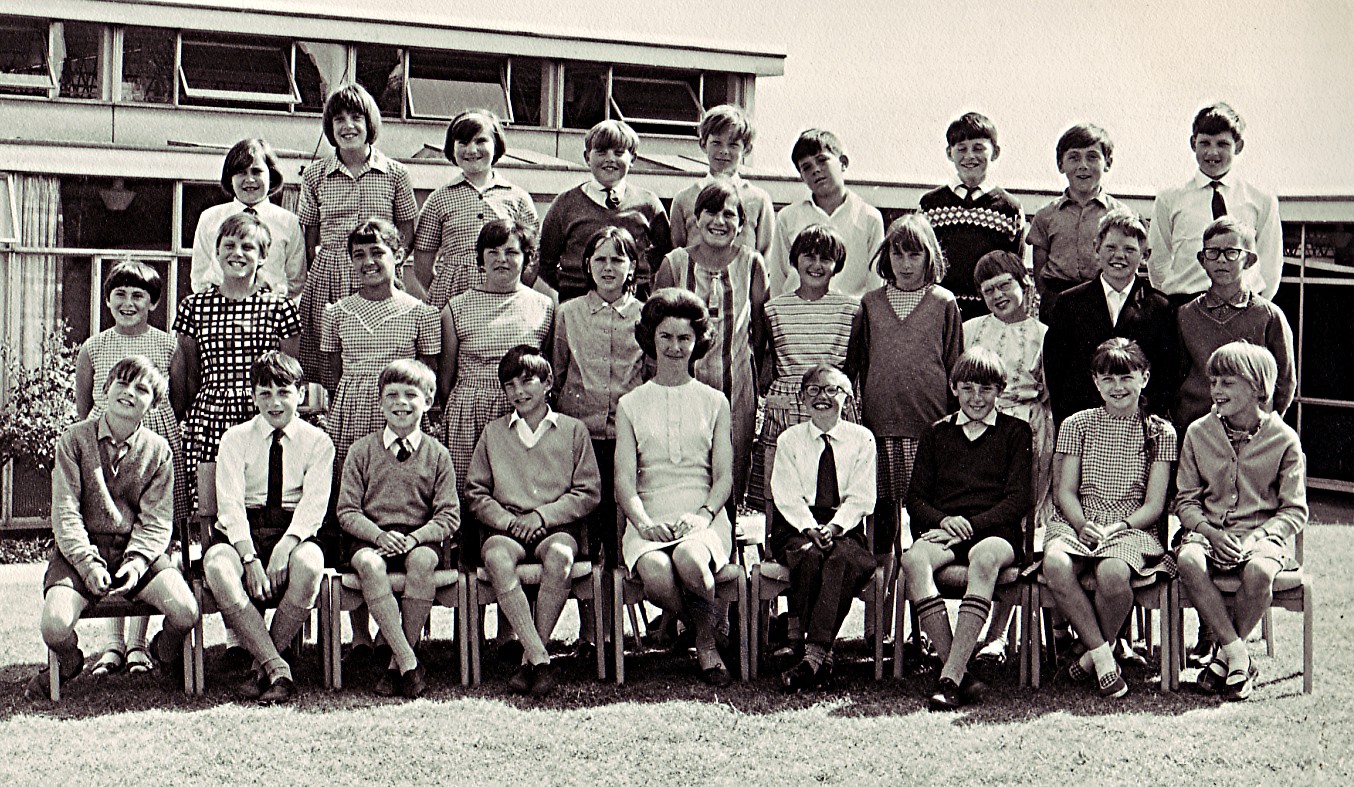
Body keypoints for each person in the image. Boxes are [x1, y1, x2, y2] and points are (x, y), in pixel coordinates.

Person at [26, 357, 200, 698]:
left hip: (136, 554)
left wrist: (136, 563)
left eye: (142, 388)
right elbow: (66, 512)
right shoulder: (74, 440)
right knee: (54, 626)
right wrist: (87, 564)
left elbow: (157, 520)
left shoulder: (159, 451)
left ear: (154, 403)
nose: (129, 392)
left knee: (186, 611)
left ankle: (164, 651)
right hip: (80, 554)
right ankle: (68, 660)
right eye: (122, 382)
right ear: (105, 389)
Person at [1041, 338, 1177, 699]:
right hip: (1078, 518)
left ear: (1144, 378)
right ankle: (1103, 657)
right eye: (1108, 379)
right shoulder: (1077, 424)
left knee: (1113, 572)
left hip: (1132, 525)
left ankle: (1087, 656)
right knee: (1054, 564)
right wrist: (1083, 524)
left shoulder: (1160, 432)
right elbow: (1065, 491)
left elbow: (1154, 504)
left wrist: (1121, 526)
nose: (1118, 387)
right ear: (1096, 382)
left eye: (1126, 377)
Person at [465, 346, 601, 697]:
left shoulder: (573, 431)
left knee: (560, 557)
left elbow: (587, 492)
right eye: (509, 385)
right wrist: (510, 523)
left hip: (554, 528)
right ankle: (541, 660)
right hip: (507, 528)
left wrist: (542, 515)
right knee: (495, 557)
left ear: (548, 383)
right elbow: (476, 493)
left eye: (527, 382)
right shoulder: (494, 433)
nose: (519, 392)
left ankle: (529, 657)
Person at [615, 288, 735, 686]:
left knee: (688, 559)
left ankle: (704, 645)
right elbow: (624, 482)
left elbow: (723, 479)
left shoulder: (715, 401)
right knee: (655, 571)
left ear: (697, 342)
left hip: (703, 513)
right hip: (649, 514)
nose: (674, 347)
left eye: (684, 338)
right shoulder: (631, 404)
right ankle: (709, 624)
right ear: (651, 338)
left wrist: (702, 516)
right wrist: (644, 522)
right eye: (665, 336)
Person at [1175, 342, 1307, 701]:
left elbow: (1294, 510)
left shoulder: (1284, 440)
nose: (1216, 390)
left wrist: (1258, 537)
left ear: (1256, 386)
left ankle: (1222, 660)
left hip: (1260, 535)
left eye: (1227, 382)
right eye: (1213, 381)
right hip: (1208, 531)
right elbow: (1185, 500)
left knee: (1260, 572)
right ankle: (1237, 655)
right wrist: (1208, 532)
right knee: (1187, 559)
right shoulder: (1198, 432)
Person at [901, 347, 1031, 709]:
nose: (977, 397)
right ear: (954, 388)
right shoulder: (936, 434)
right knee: (913, 560)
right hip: (945, 532)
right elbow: (916, 499)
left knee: (986, 557)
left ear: (1000, 390)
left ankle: (950, 676)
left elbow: (1017, 501)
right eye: (968, 388)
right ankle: (959, 672)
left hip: (994, 533)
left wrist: (971, 525)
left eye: (987, 389)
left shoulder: (1015, 432)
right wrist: (944, 521)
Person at [75, 261, 188, 678]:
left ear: (154, 302)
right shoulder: (93, 347)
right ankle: (111, 644)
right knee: (107, 529)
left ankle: (139, 644)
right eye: (119, 294)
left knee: (150, 537)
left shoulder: (168, 345)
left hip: (155, 447)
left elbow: (176, 398)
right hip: (105, 452)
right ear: (107, 300)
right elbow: (84, 407)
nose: (128, 302)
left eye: (138, 295)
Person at [205, 351, 333, 704]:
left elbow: (314, 505)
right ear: (253, 396)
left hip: (293, 532)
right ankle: (277, 668)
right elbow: (229, 504)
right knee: (217, 565)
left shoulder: (318, 442)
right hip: (242, 533)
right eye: (265, 393)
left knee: (309, 565)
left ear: (301, 393)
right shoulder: (235, 438)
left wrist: (286, 545)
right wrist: (248, 558)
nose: (275, 402)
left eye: (284, 392)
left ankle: (261, 668)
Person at [847, 213, 962, 576]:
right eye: (898, 254)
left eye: (915, 255)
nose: (906, 264)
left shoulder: (943, 302)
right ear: (886, 257)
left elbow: (954, 366)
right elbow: (858, 366)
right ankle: (879, 621)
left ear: (930, 257)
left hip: (928, 430)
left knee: (924, 525)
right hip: (879, 428)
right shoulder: (870, 303)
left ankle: (917, 621)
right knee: (882, 526)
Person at [338, 359, 459, 699]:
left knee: (422, 562)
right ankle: (409, 660)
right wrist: (378, 536)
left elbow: (449, 515)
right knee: (368, 564)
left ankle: (394, 665)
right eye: (391, 395)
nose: (400, 403)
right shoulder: (361, 451)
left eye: (411, 394)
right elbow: (347, 511)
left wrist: (413, 539)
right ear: (379, 402)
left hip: (417, 539)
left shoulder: (438, 455)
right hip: (370, 538)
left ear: (429, 401)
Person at [962, 251, 1055, 663]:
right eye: (988, 290)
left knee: (1024, 528)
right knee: (990, 521)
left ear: (1024, 284)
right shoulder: (969, 331)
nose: (998, 296)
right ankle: (978, 625)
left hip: (1032, 433)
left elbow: (1053, 389)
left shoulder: (1045, 334)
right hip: (982, 435)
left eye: (1005, 286)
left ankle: (1001, 632)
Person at [655, 180, 768, 513]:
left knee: (732, 465)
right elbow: (656, 328)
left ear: (741, 223)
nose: (719, 221)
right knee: (682, 462)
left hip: (736, 384)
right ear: (696, 218)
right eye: (711, 212)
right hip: (681, 384)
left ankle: (727, 544)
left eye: (729, 214)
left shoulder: (752, 263)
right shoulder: (674, 263)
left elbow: (760, 327)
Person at [172, 213, 302, 502]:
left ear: (263, 256)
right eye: (228, 245)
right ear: (216, 251)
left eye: (247, 247)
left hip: (263, 412)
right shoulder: (194, 306)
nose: (237, 254)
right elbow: (191, 375)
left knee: (261, 497)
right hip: (211, 413)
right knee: (212, 500)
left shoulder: (280, 307)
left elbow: (289, 373)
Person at [297, 82, 419, 388]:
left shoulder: (395, 173)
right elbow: (309, 234)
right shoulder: (315, 175)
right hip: (331, 273)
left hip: (380, 271)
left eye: (356, 118)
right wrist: (324, 270)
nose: (348, 126)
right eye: (339, 120)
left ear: (370, 123)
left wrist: (391, 264)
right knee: (330, 357)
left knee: (384, 354)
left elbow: (406, 228)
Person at [769, 365, 876, 691]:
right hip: (795, 526)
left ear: (848, 397)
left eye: (832, 390)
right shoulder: (789, 440)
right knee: (810, 556)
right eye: (814, 390)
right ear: (802, 398)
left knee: (841, 559)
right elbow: (784, 494)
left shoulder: (862, 439)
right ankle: (821, 654)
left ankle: (813, 656)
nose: (822, 397)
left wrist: (835, 526)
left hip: (846, 525)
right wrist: (809, 526)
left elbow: (861, 497)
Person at [437, 219, 554, 501]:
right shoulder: (456, 307)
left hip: (519, 410)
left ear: (526, 258)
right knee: (468, 493)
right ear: (481, 258)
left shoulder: (544, 306)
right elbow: (445, 377)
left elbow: (546, 370)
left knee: (516, 492)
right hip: (469, 412)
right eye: (493, 252)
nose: (502, 259)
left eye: (512, 252)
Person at [552, 226, 646, 569]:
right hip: (581, 440)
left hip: (627, 440)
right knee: (586, 540)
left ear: (632, 267)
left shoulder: (644, 315)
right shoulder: (568, 313)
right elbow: (558, 374)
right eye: (600, 259)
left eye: (617, 259)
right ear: (587, 265)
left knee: (621, 534)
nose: (608, 267)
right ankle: (591, 623)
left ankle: (620, 619)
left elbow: (649, 375)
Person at [321, 218, 440, 479]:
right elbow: (333, 369)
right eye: (359, 255)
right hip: (351, 409)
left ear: (397, 256)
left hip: (400, 406)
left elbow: (428, 371)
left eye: (377, 252)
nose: (368, 262)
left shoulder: (422, 313)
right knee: (354, 477)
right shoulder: (336, 312)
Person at [755, 224, 861, 513]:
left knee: (833, 483)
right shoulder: (774, 309)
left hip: (832, 401)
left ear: (836, 265)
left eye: (825, 259)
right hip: (788, 404)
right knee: (783, 484)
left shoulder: (851, 309)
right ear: (795, 259)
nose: (816, 265)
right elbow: (769, 362)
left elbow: (851, 366)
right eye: (808, 257)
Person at [1044, 209, 1178, 425]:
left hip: (1138, 425)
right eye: (1111, 247)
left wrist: (1144, 419)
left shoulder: (1160, 308)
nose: (1119, 256)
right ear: (1096, 249)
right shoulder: (1068, 303)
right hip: (1082, 424)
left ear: (1144, 256)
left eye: (1129, 249)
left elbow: (1167, 375)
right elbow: (1056, 372)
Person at [1148, 102, 1283, 305]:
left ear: (1238, 146)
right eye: (1205, 143)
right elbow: (1158, 261)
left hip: (1243, 306)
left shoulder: (1261, 200)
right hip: (1186, 305)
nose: (1212, 153)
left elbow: (1270, 265)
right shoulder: (1170, 199)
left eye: (1222, 144)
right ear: (1193, 143)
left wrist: (1254, 308)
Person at [1175, 217, 1296, 429]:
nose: (1221, 260)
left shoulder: (1268, 315)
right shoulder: (1186, 315)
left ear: (1248, 261)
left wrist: (1263, 427)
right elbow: (1176, 376)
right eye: (1212, 252)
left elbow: (1285, 382)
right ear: (1202, 259)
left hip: (1249, 432)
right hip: (1195, 430)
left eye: (1231, 252)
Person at [412, 110, 539, 309]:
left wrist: (511, 287)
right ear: (452, 148)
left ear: (496, 145)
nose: (471, 150)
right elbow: (422, 264)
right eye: (463, 142)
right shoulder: (438, 199)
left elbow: (532, 260)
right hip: (451, 301)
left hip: (503, 301)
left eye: (480, 141)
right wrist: (444, 290)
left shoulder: (518, 198)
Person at [538, 119, 672, 302]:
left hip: (632, 301)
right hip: (578, 300)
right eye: (601, 152)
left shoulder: (648, 203)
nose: (610, 159)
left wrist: (640, 279)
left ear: (633, 158)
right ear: (587, 157)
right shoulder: (565, 204)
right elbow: (546, 262)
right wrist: (573, 286)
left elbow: (665, 254)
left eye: (619, 153)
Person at [919, 112, 1025, 320]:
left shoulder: (1009, 208)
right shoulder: (930, 204)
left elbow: (1015, 269)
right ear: (950, 153)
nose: (970, 156)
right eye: (961, 149)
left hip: (989, 313)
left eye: (978, 148)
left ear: (995, 153)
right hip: (940, 311)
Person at [1027, 123, 1128, 321]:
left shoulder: (1120, 215)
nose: (1083, 166)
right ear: (1061, 164)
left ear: (1107, 162)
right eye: (1074, 157)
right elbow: (1039, 268)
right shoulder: (1045, 215)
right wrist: (1048, 299)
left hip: (1102, 299)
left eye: (1092, 157)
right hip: (1057, 300)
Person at [766, 128, 883, 299]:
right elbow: (778, 279)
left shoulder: (869, 218)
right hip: (798, 316)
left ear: (843, 162)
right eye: (806, 167)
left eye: (822, 160)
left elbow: (875, 284)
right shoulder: (788, 217)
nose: (816, 170)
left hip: (848, 318)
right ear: (801, 176)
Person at [190, 138, 306, 301]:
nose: (249, 180)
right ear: (230, 178)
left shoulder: (289, 223)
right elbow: (199, 276)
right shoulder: (210, 218)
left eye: (257, 171)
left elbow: (297, 281)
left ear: (271, 176)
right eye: (241, 172)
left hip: (269, 313)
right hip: (220, 312)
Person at [669, 104, 774, 255]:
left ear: (747, 149)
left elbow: (767, 256)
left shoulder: (759, 199)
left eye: (733, 145)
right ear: (703, 144)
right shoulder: (684, 198)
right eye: (716, 143)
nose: (724, 151)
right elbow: (677, 253)